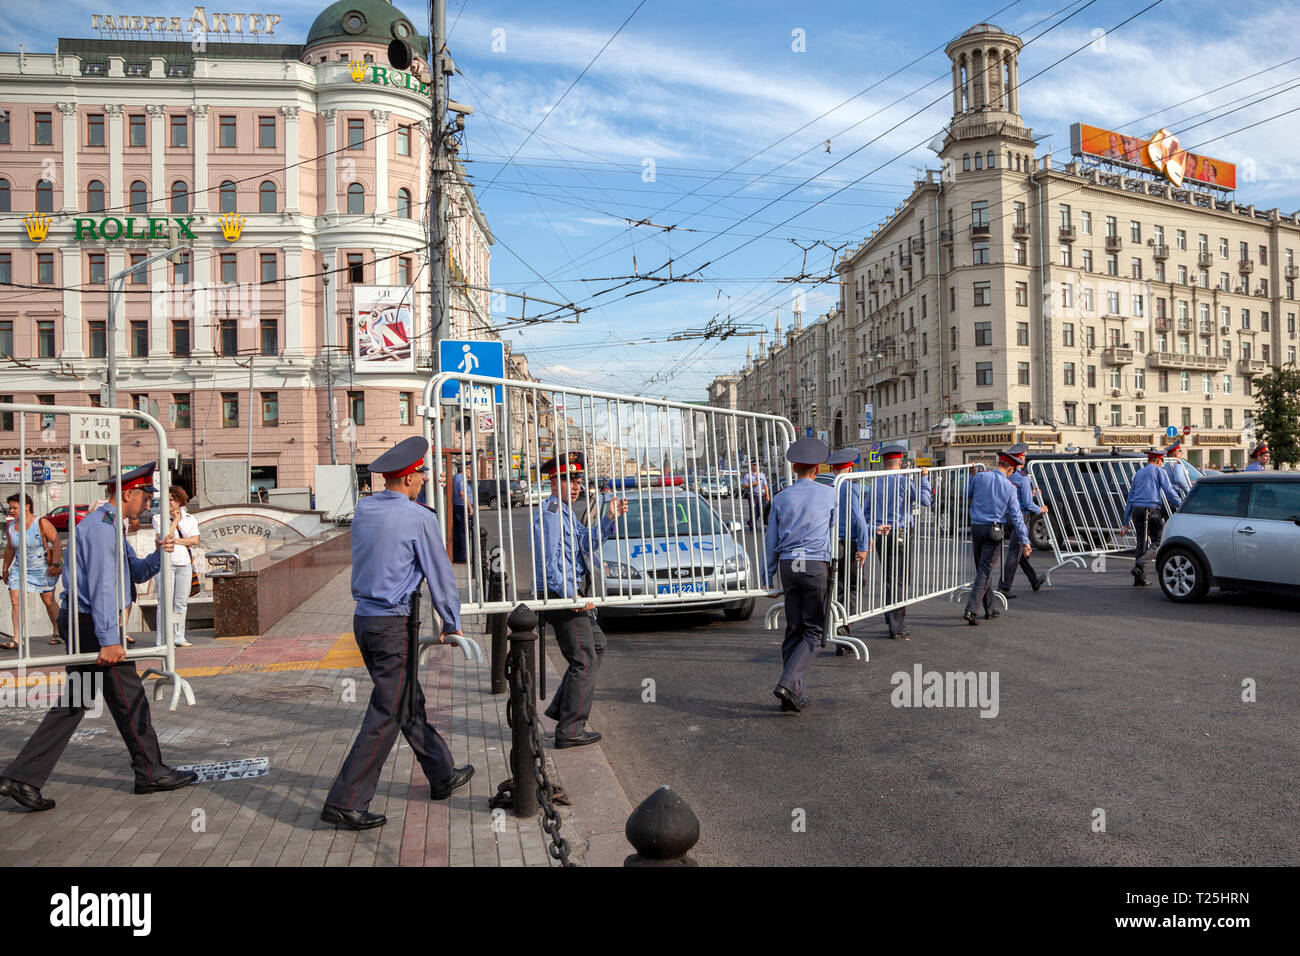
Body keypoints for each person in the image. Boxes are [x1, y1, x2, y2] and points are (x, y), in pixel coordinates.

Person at [0, 463, 198, 812]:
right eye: (144, 495)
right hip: (94, 625)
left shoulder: (107, 525)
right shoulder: (104, 529)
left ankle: (22, 777)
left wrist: (158, 553)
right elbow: (105, 589)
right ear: (127, 494)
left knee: (74, 701)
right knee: (129, 699)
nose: (146, 502)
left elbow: (132, 573)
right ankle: (150, 772)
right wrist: (110, 639)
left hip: (82, 621)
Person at [322, 437, 472, 831]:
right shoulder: (419, 517)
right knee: (387, 713)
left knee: (406, 701)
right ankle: (346, 800)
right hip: (393, 624)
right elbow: (439, 573)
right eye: (421, 473)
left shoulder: (365, 509)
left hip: (364, 622)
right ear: (408, 478)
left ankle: (441, 773)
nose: (424, 479)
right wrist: (451, 622)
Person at [533, 452, 626, 748]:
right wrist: (568, 596)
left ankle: (563, 709)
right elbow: (547, 563)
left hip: (574, 593)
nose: (575, 486)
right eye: (567, 479)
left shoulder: (566, 512)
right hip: (563, 596)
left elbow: (587, 544)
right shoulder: (549, 514)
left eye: (576, 480)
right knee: (583, 659)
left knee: (597, 645)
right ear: (552, 481)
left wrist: (609, 518)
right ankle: (570, 730)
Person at [765, 437, 836, 712]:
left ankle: (792, 696)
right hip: (814, 565)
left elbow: (771, 540)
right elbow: (839, 525)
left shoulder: (781, 497)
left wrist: (766, 575)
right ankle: (788, 682)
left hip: (789, 565)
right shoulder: (830, 493)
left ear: (794, 467)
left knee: (794, 628)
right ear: (817, 469)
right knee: (815, 631)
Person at [862, 445, 931, 639]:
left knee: (889, 577)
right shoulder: (904, 481)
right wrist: (924, 479)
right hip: (900, 533)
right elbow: (925, 500)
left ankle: (890, 618)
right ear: (900, 463)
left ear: (884, 463)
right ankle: (896, 626)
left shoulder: (875, 482)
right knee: (899, 578)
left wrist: (872, 530)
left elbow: (866, 511)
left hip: (880, 533)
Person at [963, 451, 1031, 625]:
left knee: (982, 569)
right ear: (1010, 469)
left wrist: (973, 477)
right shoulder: (1009, 487)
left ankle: (990, 608)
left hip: (976, 528)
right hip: (993, 531)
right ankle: (971, 609)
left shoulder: (980, 477)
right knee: (985, 571)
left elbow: (967, 494)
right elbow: (1016, 517)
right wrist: (1025, 540)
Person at [2, 494, 62, 650]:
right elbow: (10, 548)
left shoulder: (40, 522)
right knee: (16, 600)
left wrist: (55, 563)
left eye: (15, 507)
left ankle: (58, 631)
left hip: (42, 568)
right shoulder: (11, 526)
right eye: (10, 508)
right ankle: (17, 638)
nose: (12, 510)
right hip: (19, 569)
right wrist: (5, 569)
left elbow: (56, 541)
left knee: (48, 600)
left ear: (27, 506)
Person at [826, 448, 869, 649]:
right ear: (850, 468)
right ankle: (844, 627)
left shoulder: (829, 487)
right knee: (852, 587)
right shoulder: (849, 487)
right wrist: (863, 546)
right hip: (848, 543)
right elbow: (859, 519)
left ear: (833, 469)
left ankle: (836, 625)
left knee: (837, 586)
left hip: (832, 542)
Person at [1122, 447, 1183, 587]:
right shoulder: (1159, 471)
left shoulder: (1138, 473)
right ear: (1157, 460)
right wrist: (1181, 505)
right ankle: (1141, 563)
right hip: (1152, 510)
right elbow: (1169, 491)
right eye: (1162, 460)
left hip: (1137, 510)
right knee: (1159, 541)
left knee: (1140, 543)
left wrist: (1126, 521)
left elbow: (1130, 497)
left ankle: (1139, 578)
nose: (1162, 463)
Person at [151, 486, 200, 648]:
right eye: (166, 500)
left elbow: (194, 540)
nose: (169, 503)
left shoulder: (190, 518)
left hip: (184, 563)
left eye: (171, 500)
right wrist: (175, 522)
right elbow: (165, 537)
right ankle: (163, 638)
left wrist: (176, 541)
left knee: (180, 602)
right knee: (164, 602)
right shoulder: (158, 518)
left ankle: (179, 636)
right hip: (166, 564)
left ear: (179, 501)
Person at [996, 444, 1047, 598]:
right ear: (1018, 459)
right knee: (1015, 552)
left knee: (1020, 553)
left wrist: (1029, 493)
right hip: (1020, 517)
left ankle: (1034, 580)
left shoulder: (1008, 475)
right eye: (1023, 457)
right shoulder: (1023, 478)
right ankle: (1004, 587)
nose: (1025, 459)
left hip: (1007, 517)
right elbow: (1027, 504)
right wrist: (1041, 509)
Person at [450, 462, 473, 563]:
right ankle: (463, 556)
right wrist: (470, 507)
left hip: (458, 507)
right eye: (469, 469)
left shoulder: (456, 477)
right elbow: (462, 493)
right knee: (464, 533)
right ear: (465, 469)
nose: (470, 472)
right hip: (462, 507)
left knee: (460, 532)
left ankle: (460, 555)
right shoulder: (460, 478)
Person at [741, 460, 770, 530]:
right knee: (753, 511)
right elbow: (744, 486)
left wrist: (767, 495)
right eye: (754, 465)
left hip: (761, 495)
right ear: (751, 466)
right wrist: (752, 484)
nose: (756, 466)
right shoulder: (747, 475)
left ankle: (750, 522)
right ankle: (753, 526)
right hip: (752, 496)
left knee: (762, 510)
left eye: (757, 465)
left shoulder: (762, 474)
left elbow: (765, 485)